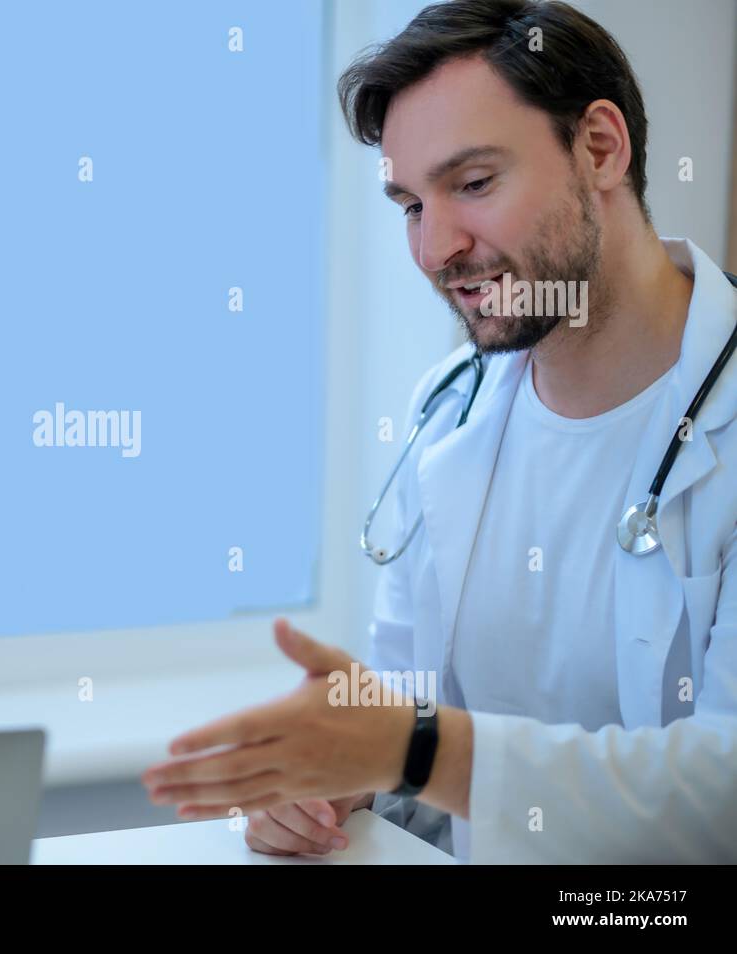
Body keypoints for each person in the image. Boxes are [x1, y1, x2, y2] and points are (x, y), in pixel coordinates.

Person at [142, 0, 737, 862]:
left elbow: (722, 797)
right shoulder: (449, 408)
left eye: (474, 183)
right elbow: (409, 712)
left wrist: (413, 748)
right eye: (411, 204)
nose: (434, 248)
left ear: (601, 148)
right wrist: (338, 777)